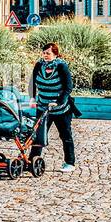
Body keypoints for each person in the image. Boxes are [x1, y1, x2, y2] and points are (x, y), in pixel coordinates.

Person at [29, 42, 76, 172]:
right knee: (38, 135)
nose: (45, 55)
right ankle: (32, 161)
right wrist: (32, 97)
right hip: (43, 107)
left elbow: (68, 87)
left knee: (65, 135)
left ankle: (69, 163)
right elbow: (32, 83)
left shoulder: (61, 66)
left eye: (48, 53)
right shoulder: (39, 65)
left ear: (55, 54)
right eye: (44, 53)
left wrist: (59, 101)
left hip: (61, 109)